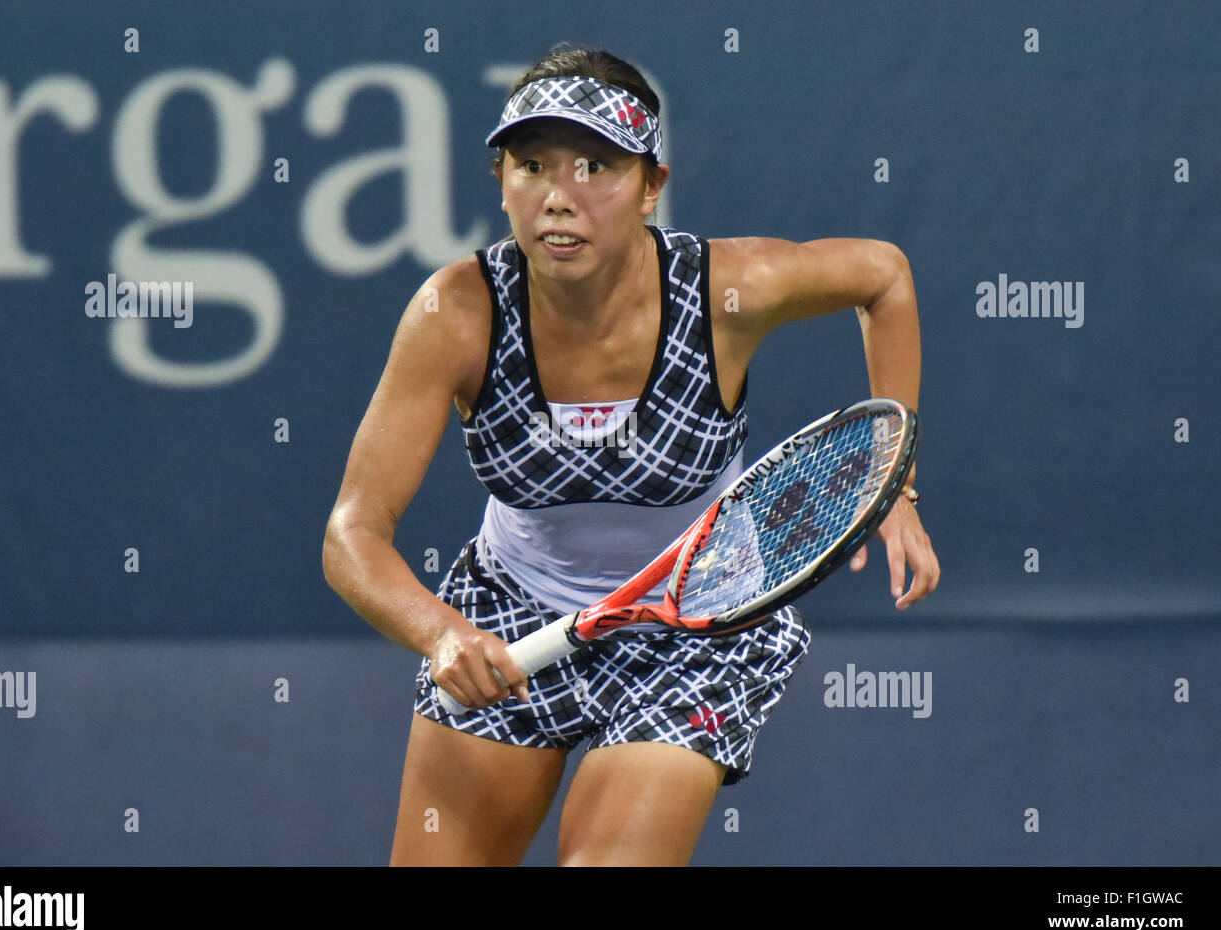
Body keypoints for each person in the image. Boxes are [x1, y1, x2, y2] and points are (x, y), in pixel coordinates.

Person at [322, 43, 940, 866]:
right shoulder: (455, 314)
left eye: (594, 167)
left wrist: (890, 479)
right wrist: (442, 637)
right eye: (531, 165)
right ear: (501, 181)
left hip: (700, 619)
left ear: (653, 187)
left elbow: (883, 277)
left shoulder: (729, 290)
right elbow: (352, 533)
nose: (558, 198)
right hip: (511, 611)